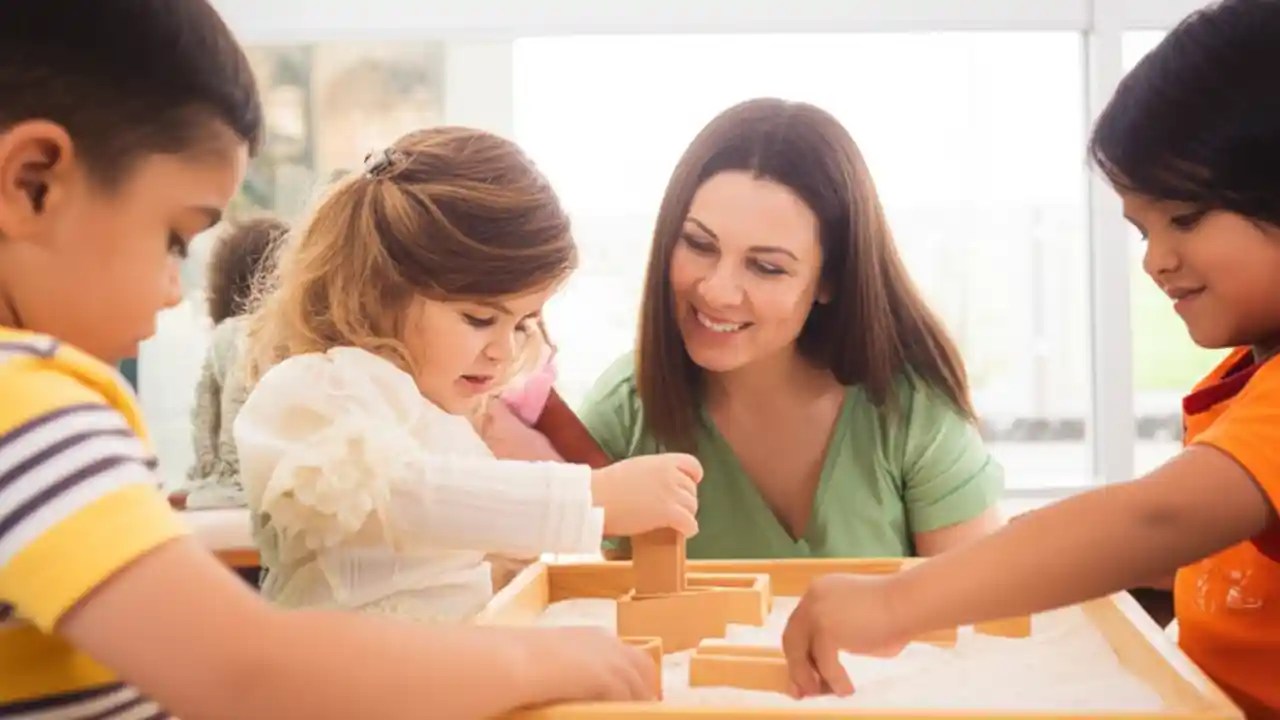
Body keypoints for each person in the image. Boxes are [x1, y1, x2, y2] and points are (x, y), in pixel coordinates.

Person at [0, 2, 657, 717]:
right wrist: (537, 658)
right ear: (32, 183)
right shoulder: (27, 403)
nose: (170, 292)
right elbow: (240, 669)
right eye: (174, 241)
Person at [780, 2, 1280, 717]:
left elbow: (1156, 521)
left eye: (1187, 219)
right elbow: (1201, 560)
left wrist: (896, 602)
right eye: (1142, 230)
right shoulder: (1245, 382)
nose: (1157, 261)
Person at [235, 126, 703, 622]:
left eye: (523, 323)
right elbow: (395, 497)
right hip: (344, 691)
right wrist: (590, 498)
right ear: (379, 290)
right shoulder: (313, 390)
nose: (503, 349)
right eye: (480, 319)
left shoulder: (445, 422)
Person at [571, 98, 1004, 559]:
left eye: (766, 267)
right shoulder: (623, 413)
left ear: (830, 280)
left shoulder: (910, 414)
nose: (718, 291)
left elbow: (976, 612)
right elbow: (586, 606)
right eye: (699, 244)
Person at [180, 216, 287, 510]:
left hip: (227, 498)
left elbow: (206, 426)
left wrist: (207, 478)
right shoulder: (301, 336)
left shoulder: (228, 336)